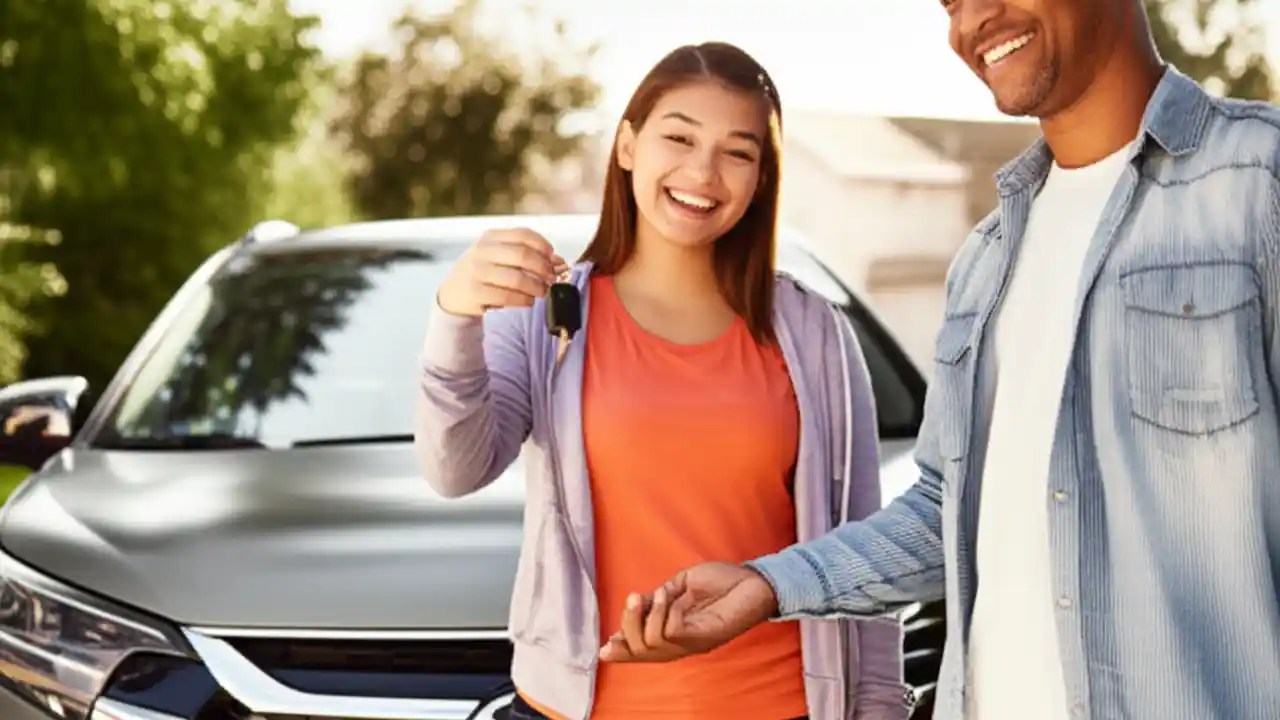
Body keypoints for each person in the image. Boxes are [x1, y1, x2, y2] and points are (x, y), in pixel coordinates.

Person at [599, 2, 1280, 719]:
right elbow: (943, 508)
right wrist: (769, 585)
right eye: (951, 2)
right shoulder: (986, 259)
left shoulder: (1257, 183)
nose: (974, 18)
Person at [414, 42, 908, 720]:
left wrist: (879, 710)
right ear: (626, 146)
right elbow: (454, 469)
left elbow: (861, 548)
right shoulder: (543, 317)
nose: (702, 172)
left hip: (780, 705)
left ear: (761, 178)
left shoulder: (813, 332)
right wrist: (455, 314)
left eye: (738, 152)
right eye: (678, 136)